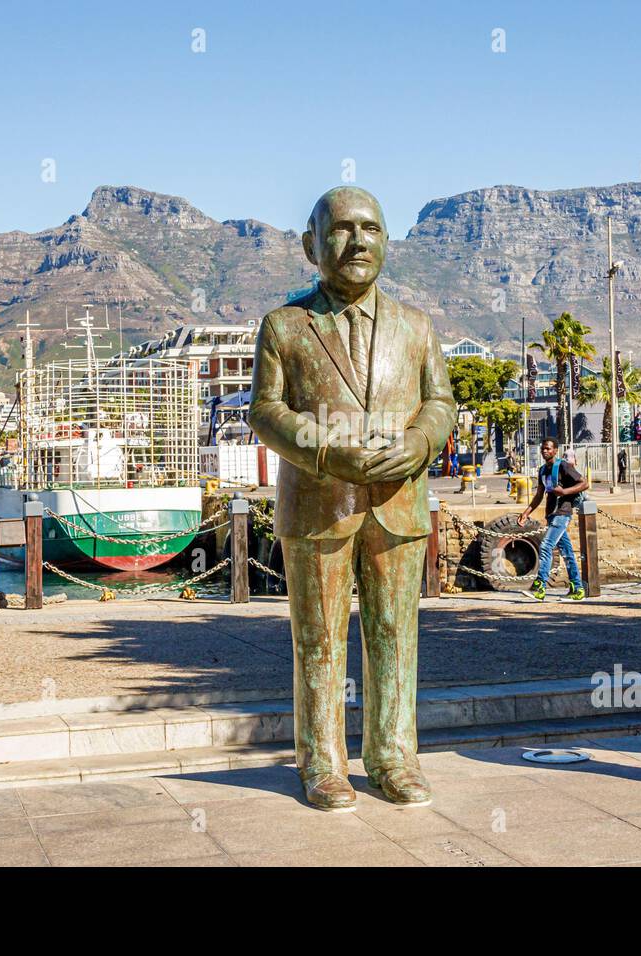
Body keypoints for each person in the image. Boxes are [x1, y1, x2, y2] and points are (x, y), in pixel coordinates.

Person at [249, 186, 456, 812]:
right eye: (341, 229)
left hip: (399, 501)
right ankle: (322, 763)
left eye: (370, 228)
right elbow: (265, 411)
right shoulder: (285, 326)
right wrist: (325, 451)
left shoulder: (415, 328)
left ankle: (394, 757)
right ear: (313, 244)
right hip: (318, 502)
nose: (358, 240)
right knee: (318, 637)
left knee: (396, 633)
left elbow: (441, 402)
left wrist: (421, 442)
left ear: (387, 242)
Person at [517, 439, 588, 601]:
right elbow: (539, 495)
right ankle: (577, 589)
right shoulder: (542, 470)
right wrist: (526, 512)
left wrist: (564, 492)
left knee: (545, 546)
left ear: (555, 450)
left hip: (562, 513)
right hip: (551, 515)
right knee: (567, 553)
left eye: (548, 449)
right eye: (543, 449)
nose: (544, 451)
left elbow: (584, 483)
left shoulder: (563, 466)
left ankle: (540, 586)